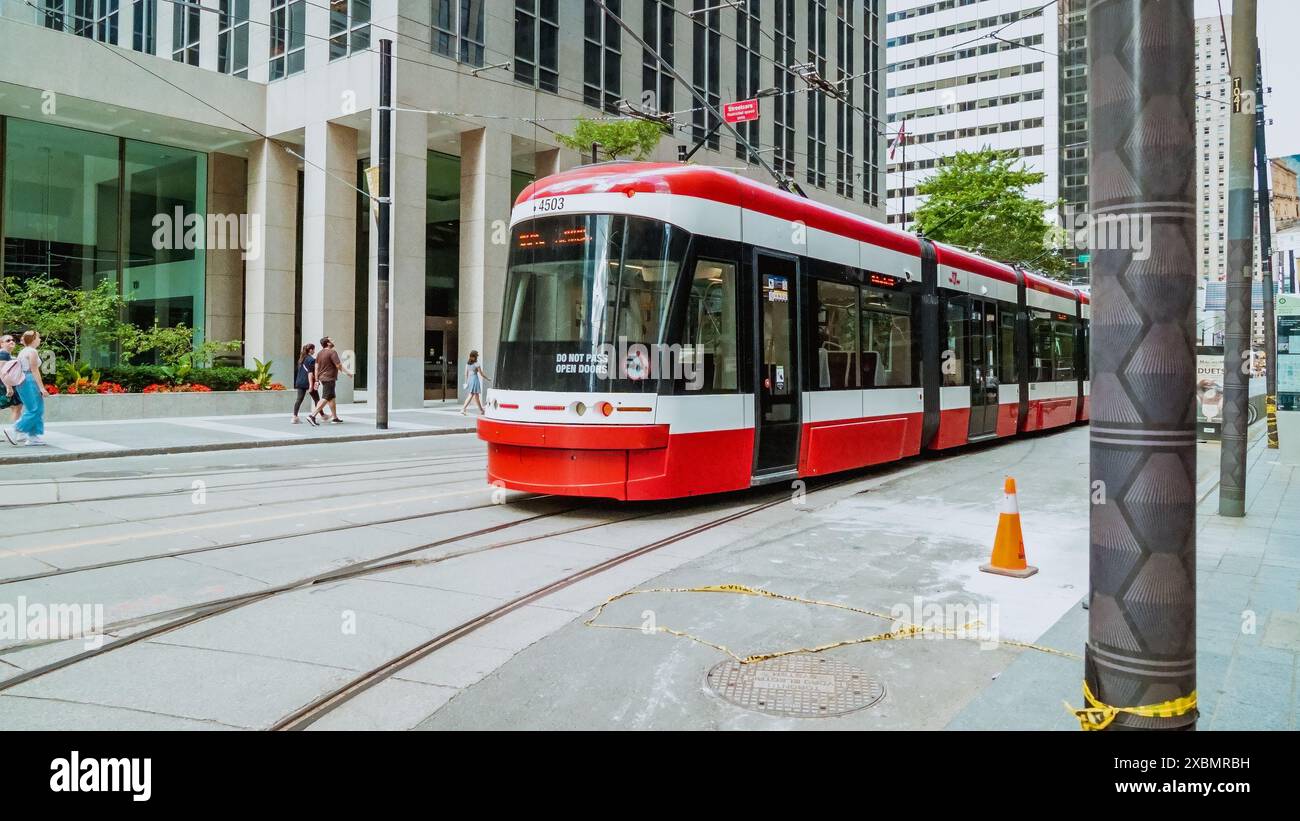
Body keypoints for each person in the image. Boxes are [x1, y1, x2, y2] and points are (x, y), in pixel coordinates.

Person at [4, 330, 49, 446]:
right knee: (36, 409)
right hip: (29, 380)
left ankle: (33, 437)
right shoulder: (32, 352)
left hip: (22, 381)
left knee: (32, 408)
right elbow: (34, 370)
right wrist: (42, 388)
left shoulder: (23, 351)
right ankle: (15, 429)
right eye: (38, 338)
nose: (40, 340)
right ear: (33, 339)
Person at [307, 336, 353, 426]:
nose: (333, 341)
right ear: (328, 343)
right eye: (331, 340)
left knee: (331, 398)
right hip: (329, 378)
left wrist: (316, 380)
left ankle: (335, 418)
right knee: (325, 397)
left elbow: (316, 368)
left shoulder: (319, 353)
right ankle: (312, 416)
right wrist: (348, 373)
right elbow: (338, 365)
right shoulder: (332, 352)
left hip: (322, 378)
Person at [292, 342, 324, 424]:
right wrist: (311, 384)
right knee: (316, 399)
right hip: (309, 382)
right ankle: (323, 416)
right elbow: (311, 373)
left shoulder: (301, 359)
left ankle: (294, 417)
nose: (314, 351)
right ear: (310, 350)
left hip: (300, 381)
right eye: (313, 349)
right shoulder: (311, 360)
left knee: (299, 399)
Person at [0, 334, 22, 425]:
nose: (12, 341)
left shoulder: (6, 354)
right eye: (8, 340)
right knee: (17, 406)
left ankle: (14, 431)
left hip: (6, 383)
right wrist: (8, 387)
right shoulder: (3, 354)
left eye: (13, 340)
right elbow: (2, 371)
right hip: (4, 384)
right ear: (1, 343)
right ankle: (14, 431)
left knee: (16, 406)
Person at [460, 350, 491, 415]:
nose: (477, 357)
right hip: (474, 380)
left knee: (476, 396)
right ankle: (463, 409)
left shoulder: (467, 364)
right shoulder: (477, 364)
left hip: (469, 380)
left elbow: (466, 374)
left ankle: (481, 410)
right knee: (471, 395)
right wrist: (487, 378)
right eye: (476, 356)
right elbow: (481, 374)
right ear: (474, 356)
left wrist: (466, 382)